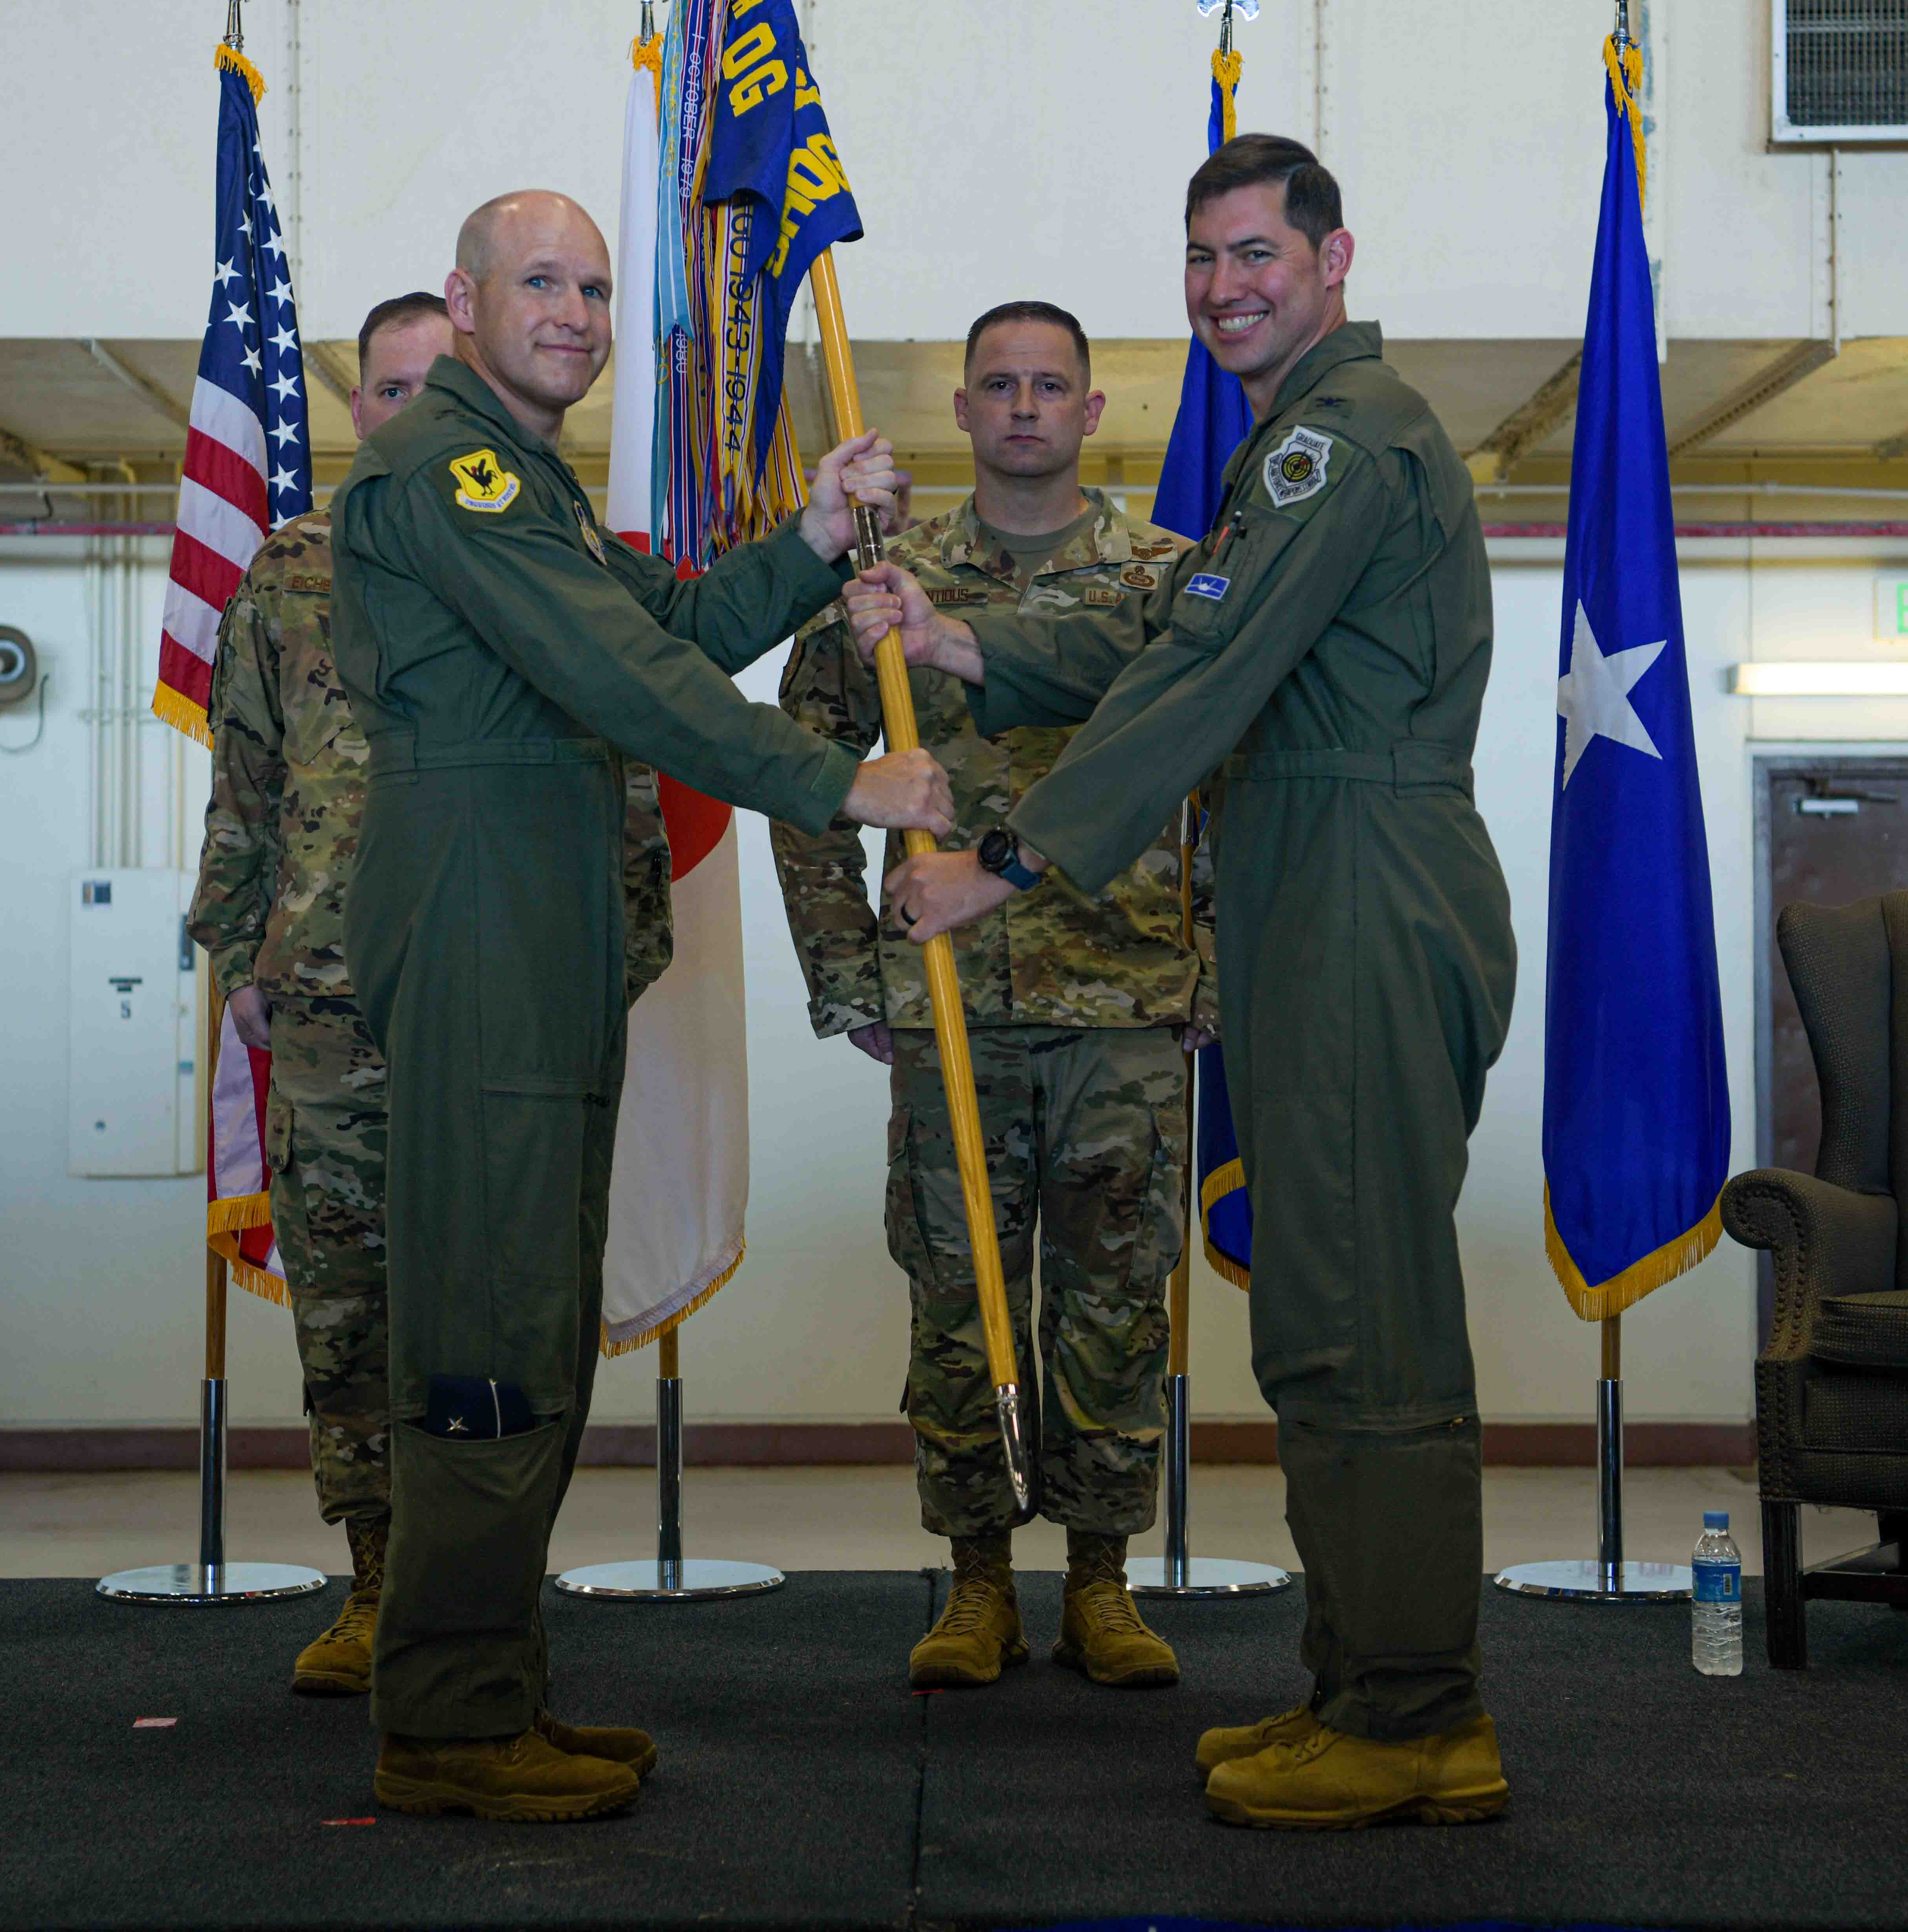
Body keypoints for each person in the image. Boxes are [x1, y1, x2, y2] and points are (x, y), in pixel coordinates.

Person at [850, 136, 1516, 1831]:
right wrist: (963, 641)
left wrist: (1001, 865)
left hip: (1361, 890)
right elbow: (1173, 640)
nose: (1226, 288)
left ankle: (1416, 1718)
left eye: (1257, 254)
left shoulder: (1341, 440)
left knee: (1363, 1328)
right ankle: (1361, 1686)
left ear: (1333, 259)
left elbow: (1201, 678)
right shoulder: (1301, 444)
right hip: (1315, 890)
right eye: (1204, 259)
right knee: (1323, 1316)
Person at [329, 190, 952, 1823]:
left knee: (532, 1309)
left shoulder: (520, 481)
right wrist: (839, 782)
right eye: (540, 281)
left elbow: (661, 624)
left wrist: (809, 541)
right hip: (482, 919)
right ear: (464, 302)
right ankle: (450, 1717)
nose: (577, 313)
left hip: (532, 925)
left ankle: (491, 1685)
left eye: (596, 288)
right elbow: (625, 677)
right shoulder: (451, 469)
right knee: (487, 1324)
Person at [188, 291, 683, 1703]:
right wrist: (238, 958)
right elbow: (245, 782)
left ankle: (478, 1595)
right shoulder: (290, 570)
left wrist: (616, 956)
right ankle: (376, 1583)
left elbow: (619, 774)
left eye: (437, 392)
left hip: (503, 992)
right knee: (351, 1309)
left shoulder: (530, 548)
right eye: (392, 393)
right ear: (360, 409)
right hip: (332, 1010)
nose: (416, 417)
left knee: (502, 1313)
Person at [773, 300, 1206, 1694]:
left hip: (1123, 1004)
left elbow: (1224, 780)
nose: (1025, 407)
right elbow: (807, 779)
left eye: (1051, 386)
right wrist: (847, 970)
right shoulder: (885, 589)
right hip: (949, 998)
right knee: (958, 1297)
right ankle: (975, 1584)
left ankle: (1100, 1580)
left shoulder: (1164, 580)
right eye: (1000, 385)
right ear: (960, 409)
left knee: (1115, 1299)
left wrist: (1209, 963)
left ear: (1093, 410)